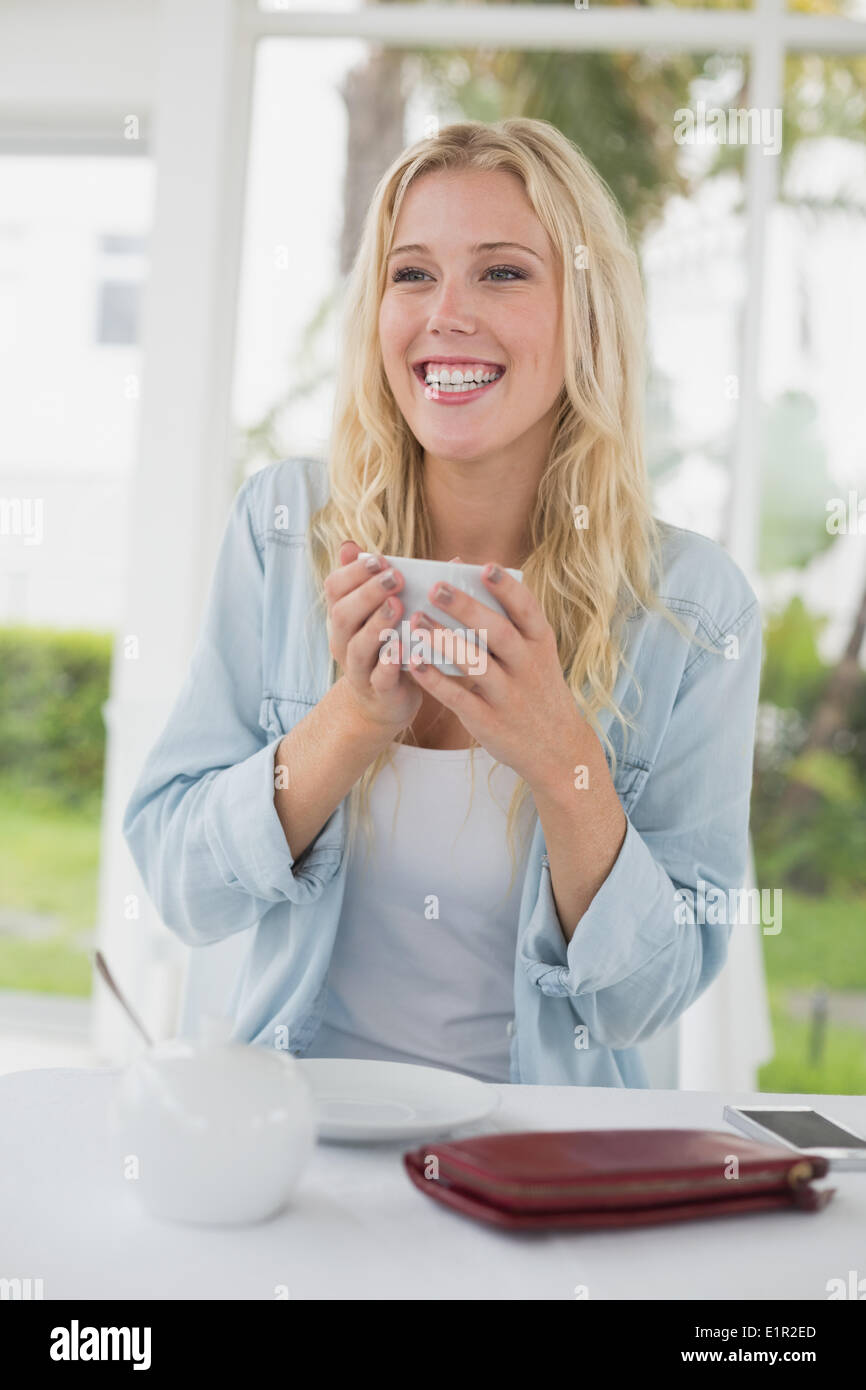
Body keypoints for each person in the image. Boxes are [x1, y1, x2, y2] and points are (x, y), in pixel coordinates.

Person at [123, 118, 762, 1087]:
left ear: (584, 311)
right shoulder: (285, 527)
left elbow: (645, 998)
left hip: (534, 1173)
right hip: (294, 1142)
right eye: (412, 273)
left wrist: (563, 761)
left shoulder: (689, 603)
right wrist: (347, 722)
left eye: (501, 273)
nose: (444, 313)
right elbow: (182, 890)